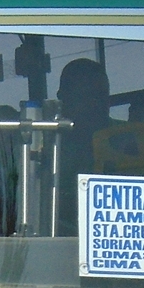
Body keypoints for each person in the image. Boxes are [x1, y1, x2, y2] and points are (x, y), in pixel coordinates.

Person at [55, 59, 118, 231]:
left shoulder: (130, 136)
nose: (95, 103)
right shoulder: (47, 144)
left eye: (101, 95)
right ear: (63, 98)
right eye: (84, 96)